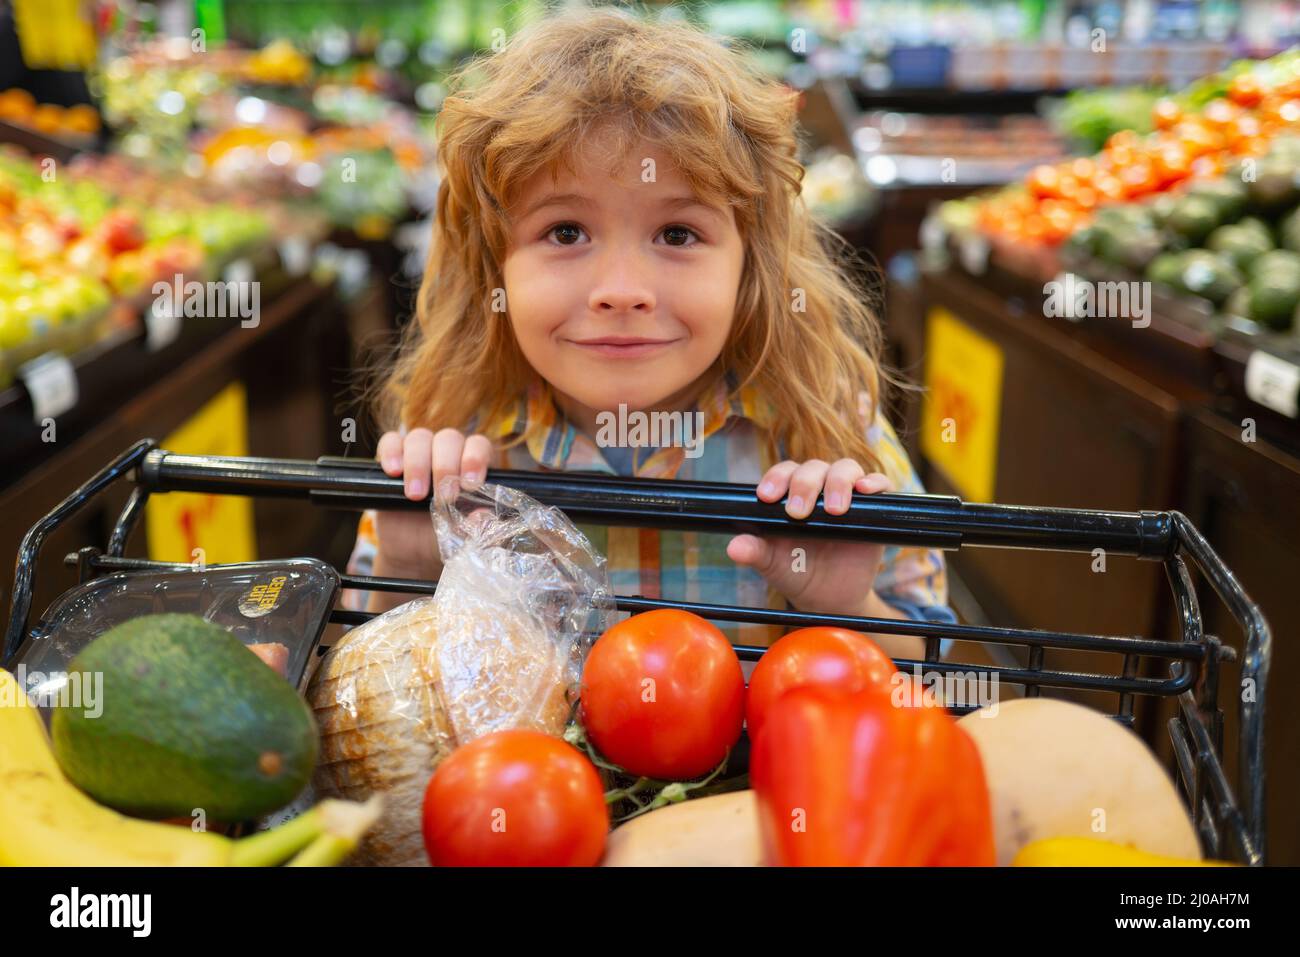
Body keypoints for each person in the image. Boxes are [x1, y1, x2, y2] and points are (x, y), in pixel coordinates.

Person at [343, 7, 957, 660]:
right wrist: (404, 573)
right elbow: (364, 686)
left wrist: (849, 607)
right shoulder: (454, 442)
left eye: (677, 234)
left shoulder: (830, 427)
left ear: (752, 265)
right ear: (495, 265)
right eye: (565, 232)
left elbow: (934, 655)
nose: (623, 289)